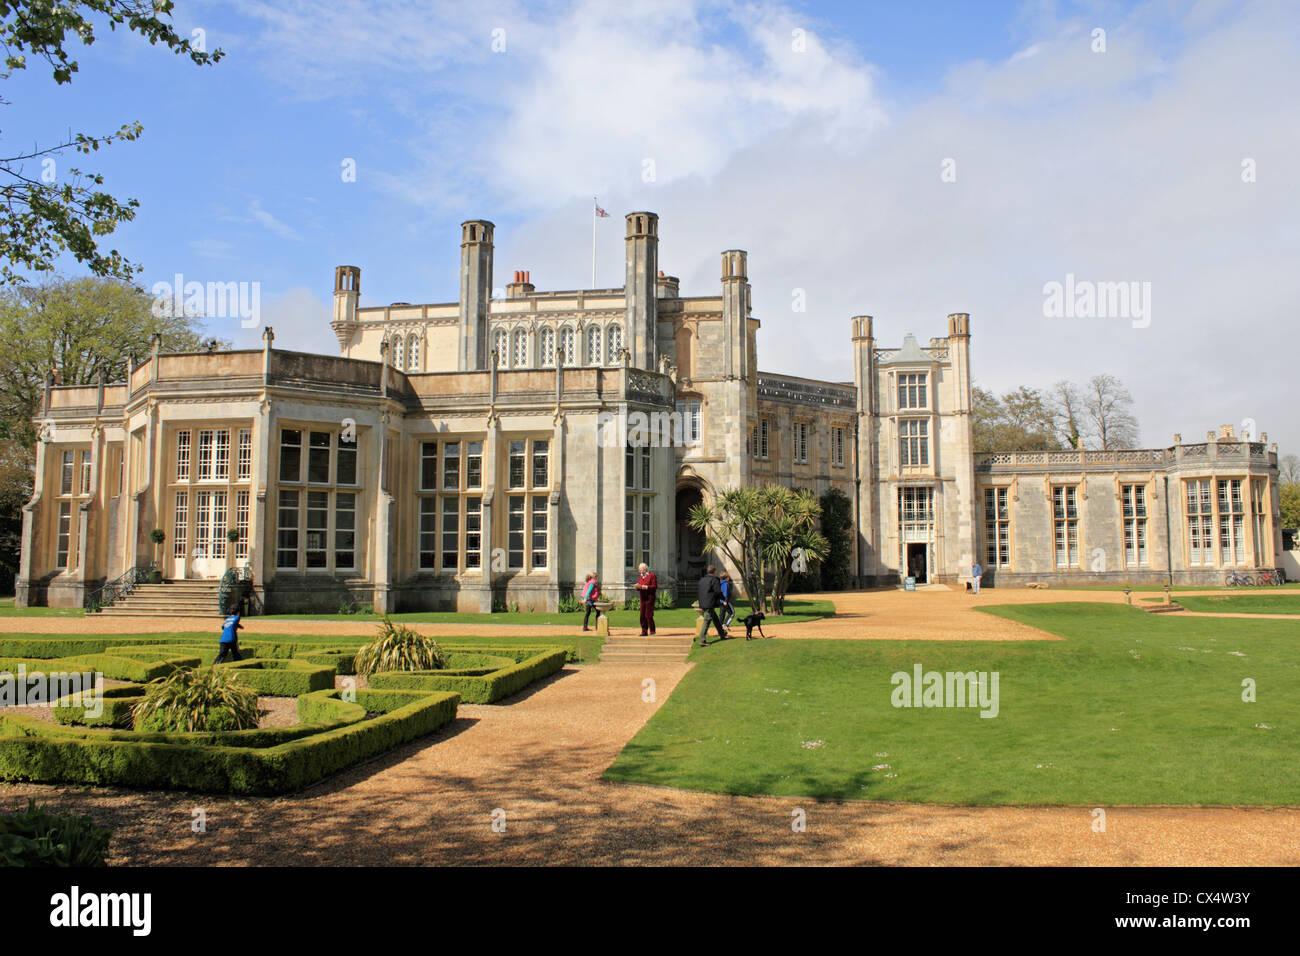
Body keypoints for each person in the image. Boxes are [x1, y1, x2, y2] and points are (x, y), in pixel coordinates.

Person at [696, 565, 728, 645]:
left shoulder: (702, 580)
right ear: (714, 572)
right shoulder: (714, 580)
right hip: (709, 603)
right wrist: (723, 599)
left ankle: (722, 634)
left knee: (715, 618)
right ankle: (702, 640)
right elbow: (718, 592)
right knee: (707, 620)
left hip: (703, 602)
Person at [635, 562, 658, 636]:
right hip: (643, 598)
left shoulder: (652, 575)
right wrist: (637, 587)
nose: (640, 571)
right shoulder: (640, 577)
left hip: (650, 598)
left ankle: (652, 630)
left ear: (645, 569)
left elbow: (654, 586)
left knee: (648, 615)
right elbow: (640, 585)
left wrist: (647, 587)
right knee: (642, 615)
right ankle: (644, 631)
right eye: (639, 570)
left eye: (641, 569)